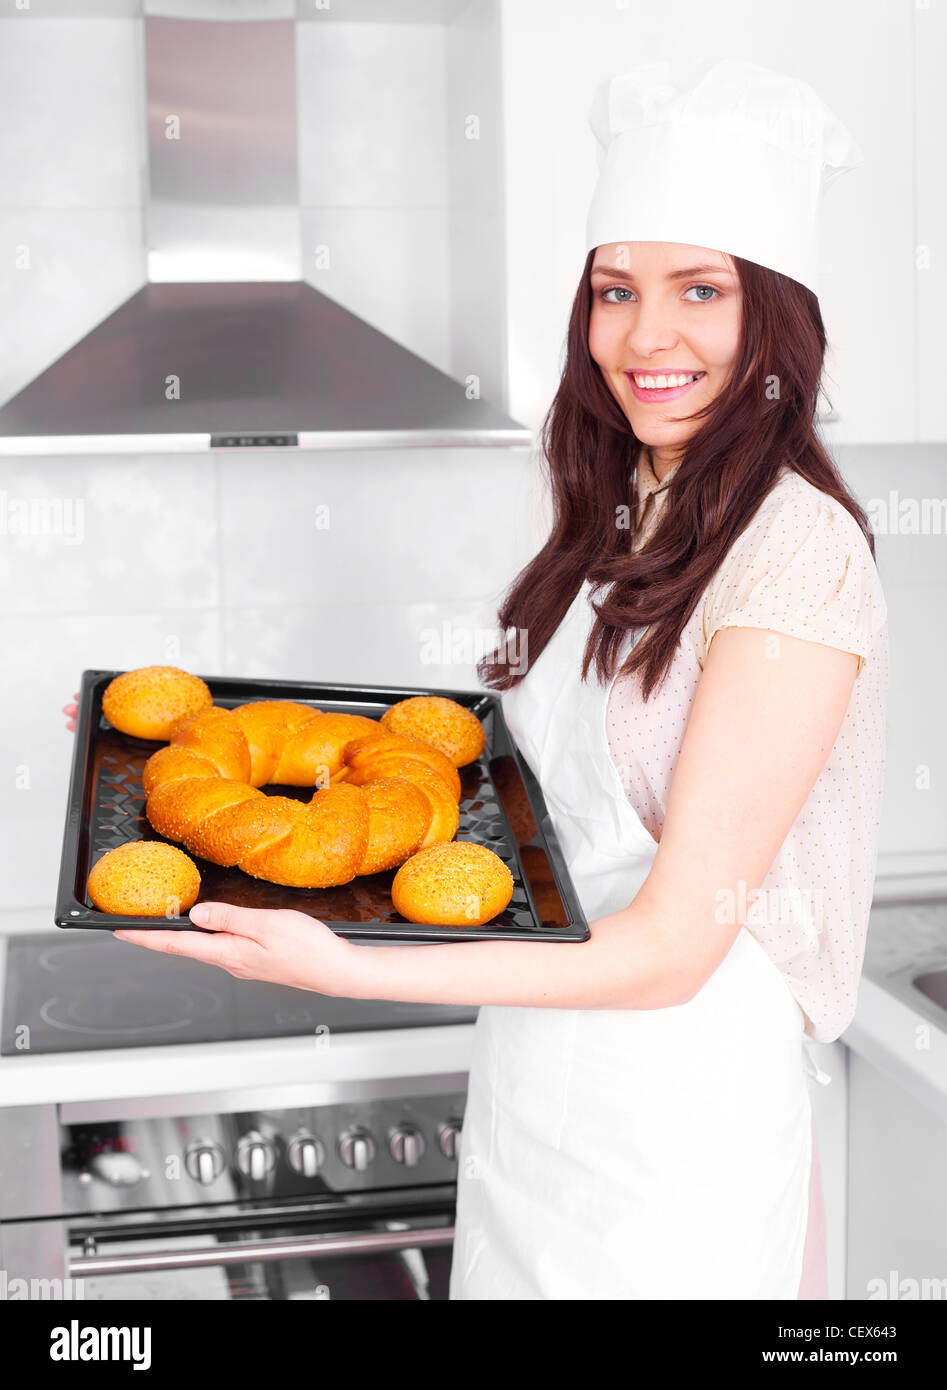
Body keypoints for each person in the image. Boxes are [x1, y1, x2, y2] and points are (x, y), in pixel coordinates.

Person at [68, 59, 887, 1299]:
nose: (642, 335)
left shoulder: (797, 550)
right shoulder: (633, 508)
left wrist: (349, 965)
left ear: (773, 319)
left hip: (676, 1127)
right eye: (614, 291)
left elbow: (671, 946)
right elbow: (505, 774)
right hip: (537, 1080)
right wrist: (194, 731)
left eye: (698, 291)